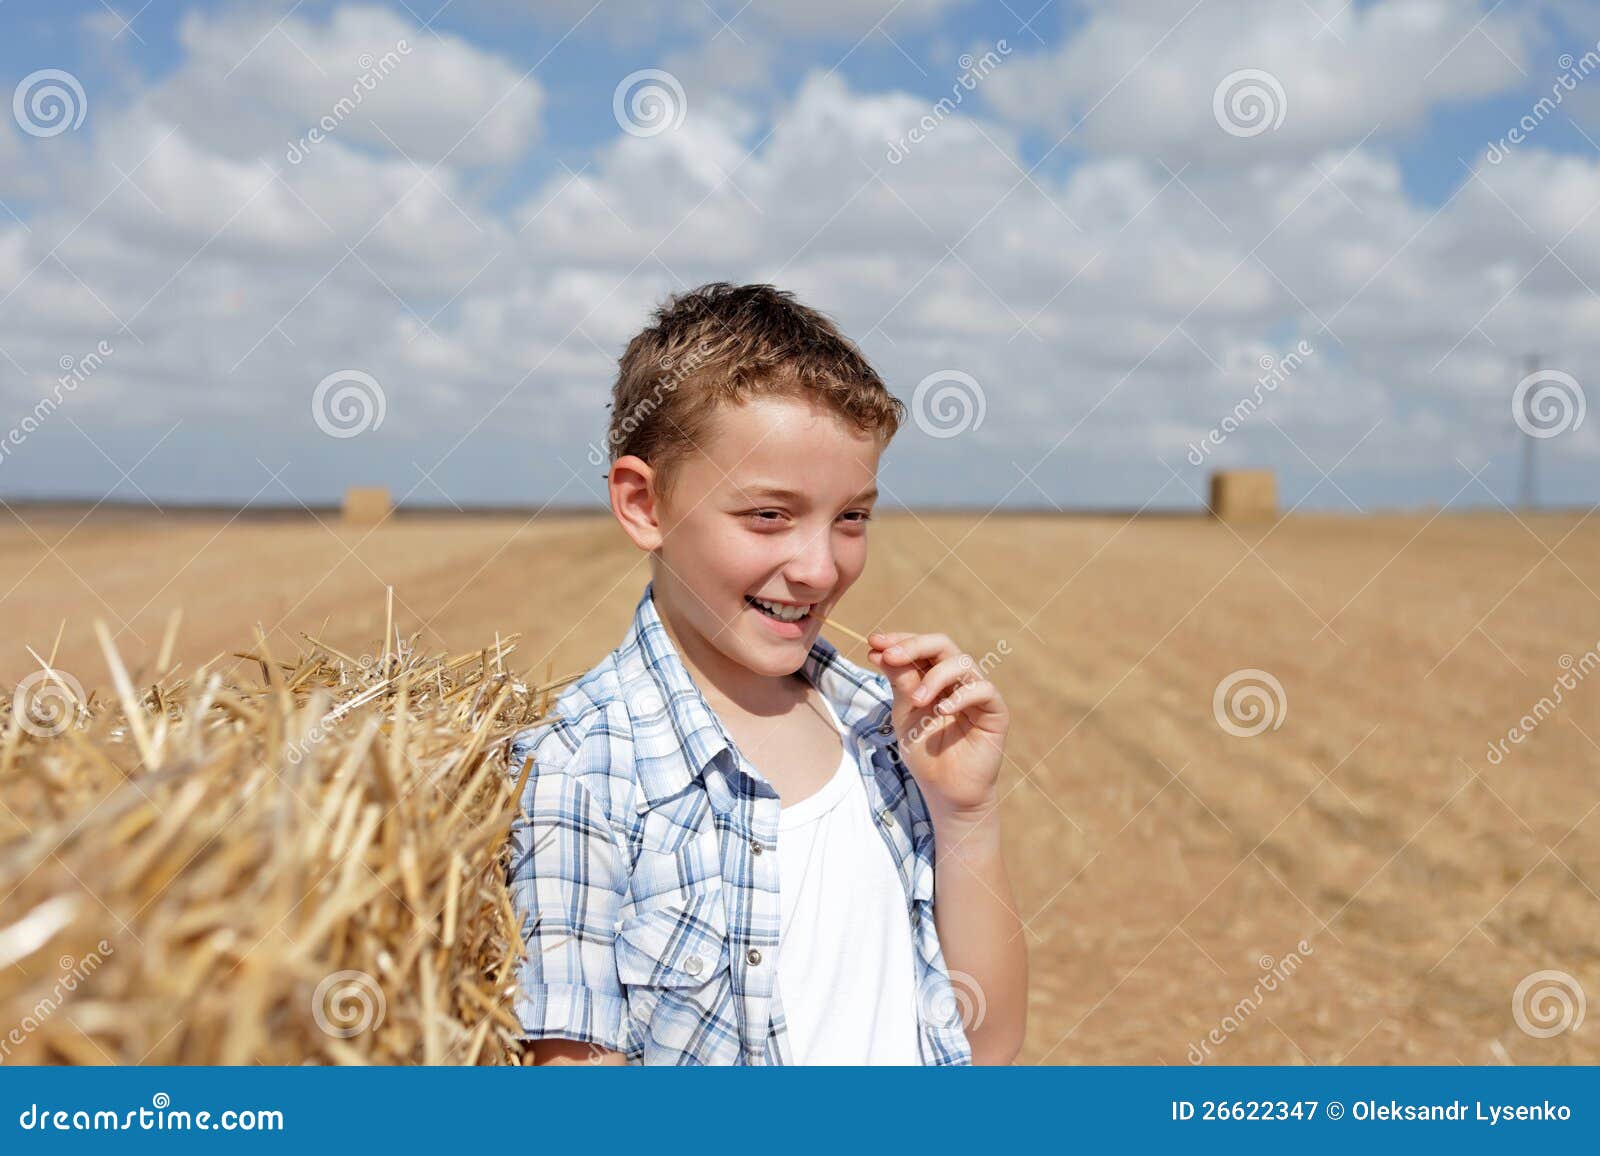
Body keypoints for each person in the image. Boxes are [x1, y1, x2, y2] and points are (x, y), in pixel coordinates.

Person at [504, 282, 1026, 1065]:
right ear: (644, 504)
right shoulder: (580, 773)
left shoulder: (879, 733)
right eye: (768, 516)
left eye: (852, 516)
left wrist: (967, 818)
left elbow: (989, 1051)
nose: (819, 568)